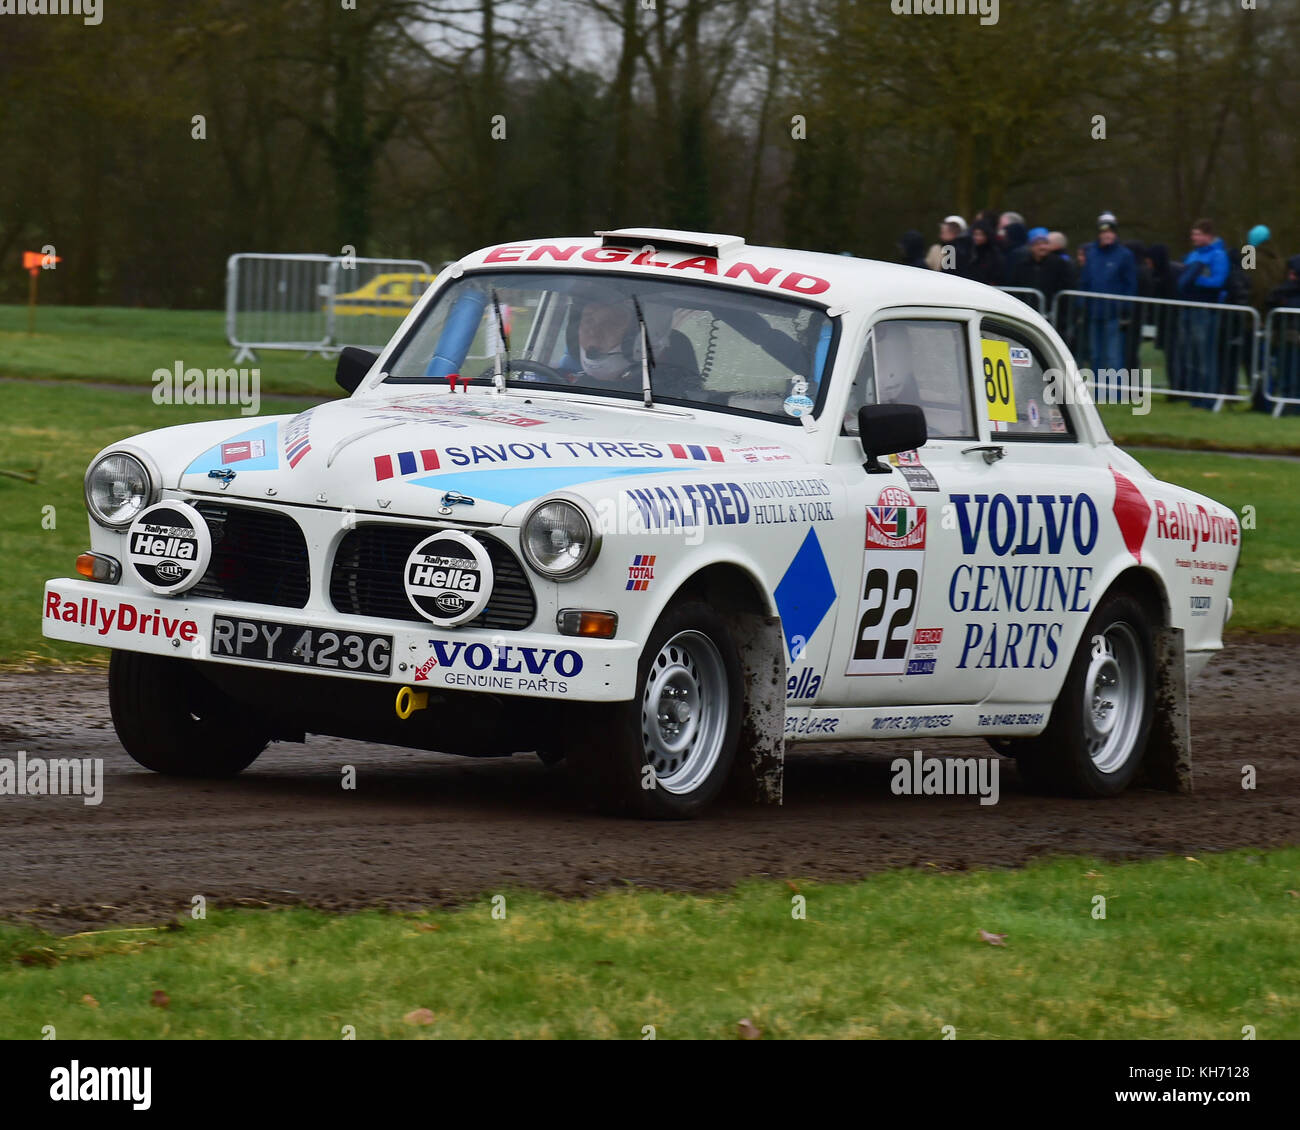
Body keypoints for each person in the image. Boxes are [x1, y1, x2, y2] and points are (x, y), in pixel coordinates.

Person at [1078, 215, 1137, 384]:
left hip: (1114, 312)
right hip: (1093, 311)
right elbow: (1085, 280)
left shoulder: (1124, 255)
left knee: (1113, 355)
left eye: (1110, 232)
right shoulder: (1092, 253)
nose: (1107, 235)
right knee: (1096, 354)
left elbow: (1130, 284)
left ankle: (1113, 391)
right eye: (1104, 232)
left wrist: (1126, 307)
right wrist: (1081, 303)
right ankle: (1098, 390)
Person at [1177, 218, 1230, 406]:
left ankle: (1208, 397)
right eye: (1193, 234)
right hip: (1189, 308)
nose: (1194, 237)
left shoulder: (1218, 255)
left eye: (1198, 234)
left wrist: (1194, 280)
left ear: (1208, 235)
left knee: (1205, 355)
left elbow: (1218, 282)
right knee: (1191, 354)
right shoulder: (1192, 255)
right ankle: (1194, 397)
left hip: (1206, 311)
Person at [1261, 254, 1300, 410]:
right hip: (1288, 335)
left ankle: (1289, 404)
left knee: (1287, 371)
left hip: (1288, 335)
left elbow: (1270, 300)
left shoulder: (1282, 291)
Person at [1007, 227, 1072, 315]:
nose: (1042, 247)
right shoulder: (1022, 265)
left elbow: (1065, 287)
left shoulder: (1059, 264)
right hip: (1027, 310)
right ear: (1030, 247)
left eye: (1045, 243)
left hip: (1052, 312)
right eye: (1037, 244)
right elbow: (1015, 286)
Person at [1144, 244, 1181, 391]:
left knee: (1174, 356)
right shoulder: (1157, 274)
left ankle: (1177, 388)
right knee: (1170, 356)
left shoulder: (1169, 275)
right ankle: (1174, 387)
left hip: (1172, 321)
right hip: (1165, 321)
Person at [963, 220, 1005, 286]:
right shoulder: (967, 251)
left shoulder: (994, 255)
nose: (977, 238)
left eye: (981, 234)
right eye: (975, 234)